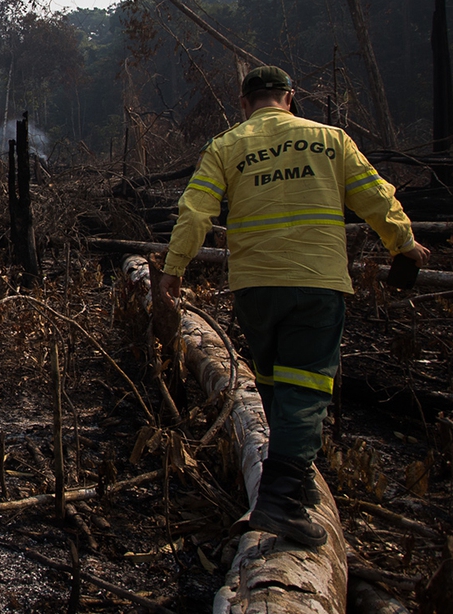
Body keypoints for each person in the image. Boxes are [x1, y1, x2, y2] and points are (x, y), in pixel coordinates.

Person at [156, 65, 429, 546]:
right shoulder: (330, 139)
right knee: (304, 391)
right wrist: (404, 244)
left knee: (275, 386)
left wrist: (174, 270)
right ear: (290, 97)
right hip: (316, 283)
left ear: (244, 103)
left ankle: (293, 486)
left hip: (255, 288)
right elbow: (375, 196)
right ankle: (281, 503)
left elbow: (195, 211)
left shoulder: (226, 145)